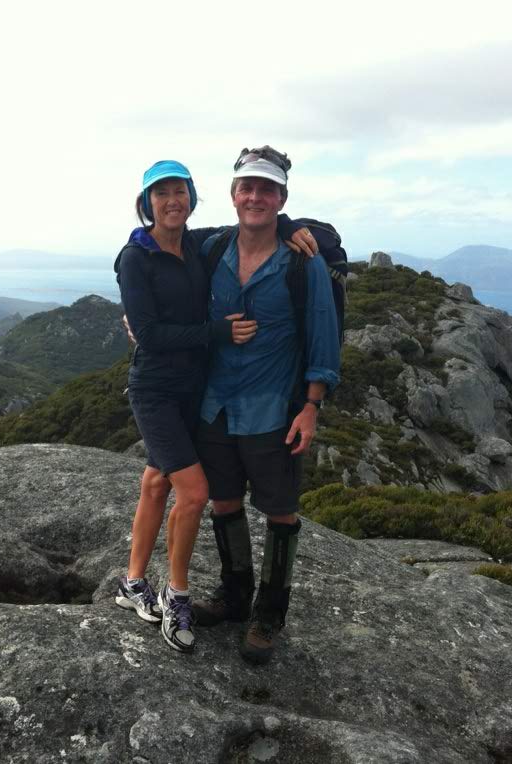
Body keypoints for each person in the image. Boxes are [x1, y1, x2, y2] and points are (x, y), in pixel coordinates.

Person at [113, 159, 318, 654]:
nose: (171, 201)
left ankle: (132, 581)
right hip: (159, 390)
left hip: (196, 390)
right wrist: (217, 332)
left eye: (179, 191)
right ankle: (177, 594)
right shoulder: (135, 257)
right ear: (146, 203)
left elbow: (258, 220)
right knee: (196, 490)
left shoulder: (197, 244)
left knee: (157, 479)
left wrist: (290, 226)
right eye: (160, 194)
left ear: (192, 197)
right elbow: (150, 334)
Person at [192, 146, 340, 665]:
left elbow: (323, 333)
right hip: (217, 406)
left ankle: (269, 613)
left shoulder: (304, 262)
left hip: (274, 408)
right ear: (233, 195)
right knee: (224, 502)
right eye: (246, 187)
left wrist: (311, 406)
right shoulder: (212, 251)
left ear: (281, 198)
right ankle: (234, 597)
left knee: (280, 510)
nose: (255, 196)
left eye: (266, 189)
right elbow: (149, 249)